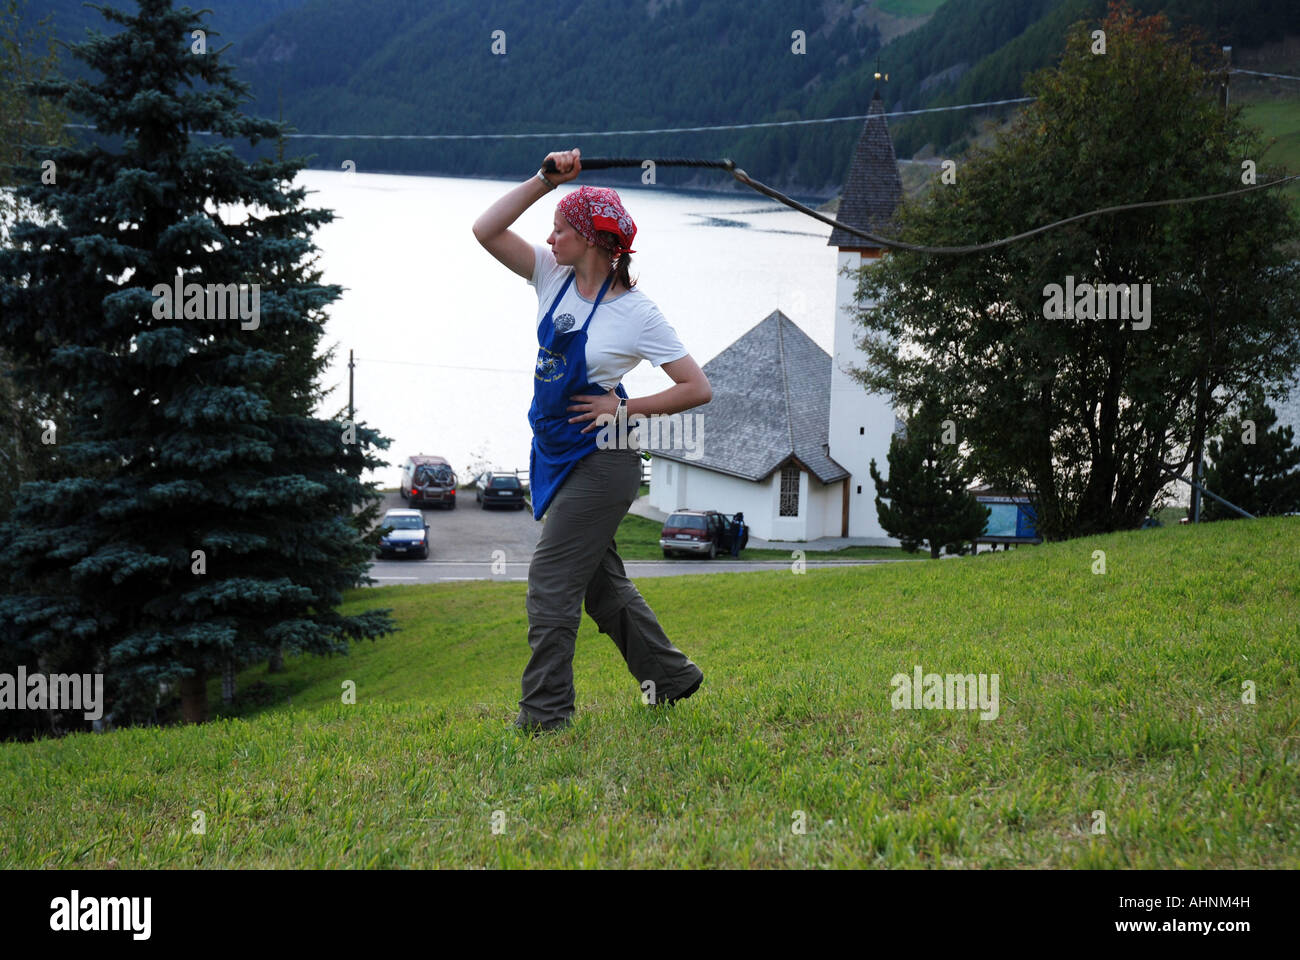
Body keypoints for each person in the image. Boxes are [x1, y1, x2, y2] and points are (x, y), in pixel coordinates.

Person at [472, 147, 710, 733]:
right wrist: (544, 181)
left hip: (606, 461)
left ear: (594, 241)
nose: (550, 239)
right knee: (601, 586)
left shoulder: (637, 313)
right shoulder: (549, 276)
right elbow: (485, 229)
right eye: (551, 231)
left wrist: (624, 404)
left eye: (561, 231)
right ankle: (671, 678)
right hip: (556, 452)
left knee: (551, 581)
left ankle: (544, 716)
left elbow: (696, 387)